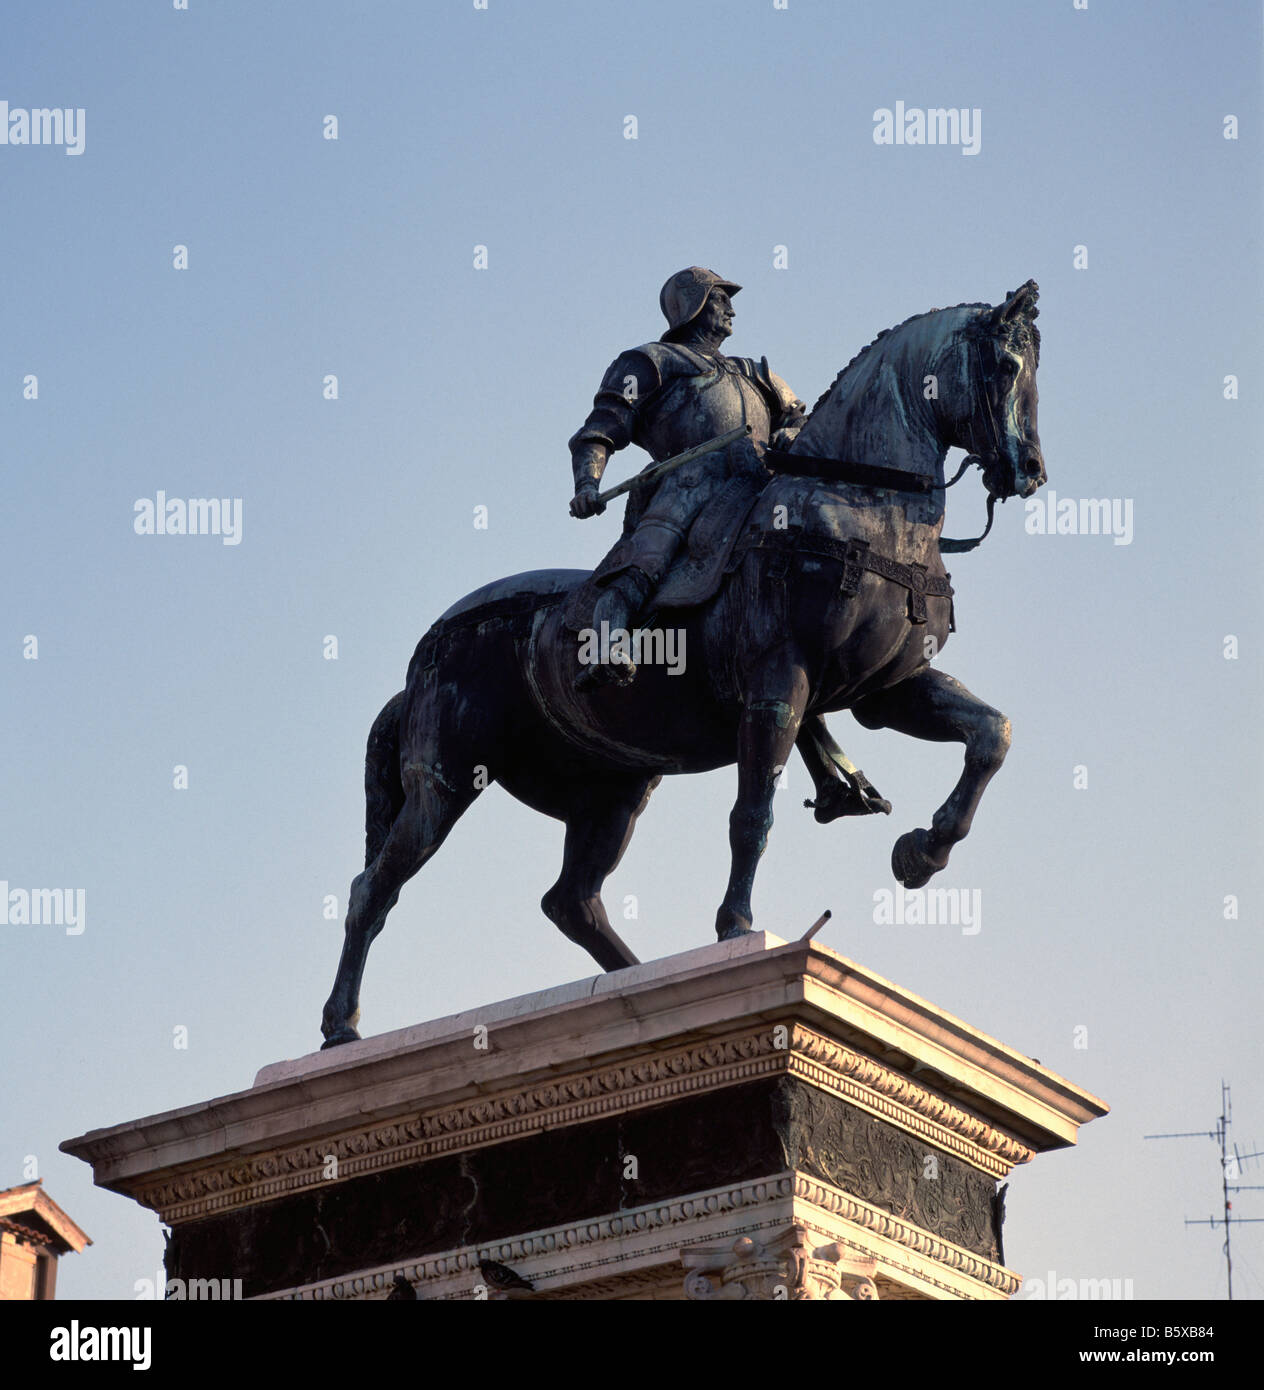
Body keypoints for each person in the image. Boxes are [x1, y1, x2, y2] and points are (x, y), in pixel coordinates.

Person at [568, 266, 806, 688]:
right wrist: (588, 485)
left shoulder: (757, 372)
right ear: (692, 306)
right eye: (719, 298)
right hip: (687, 481)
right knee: (648, 561)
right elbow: (601, 430)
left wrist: (790, 433)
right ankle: (608, 642)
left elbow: (800, 420)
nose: (731, 308)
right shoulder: (649, 362)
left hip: (761, 477)